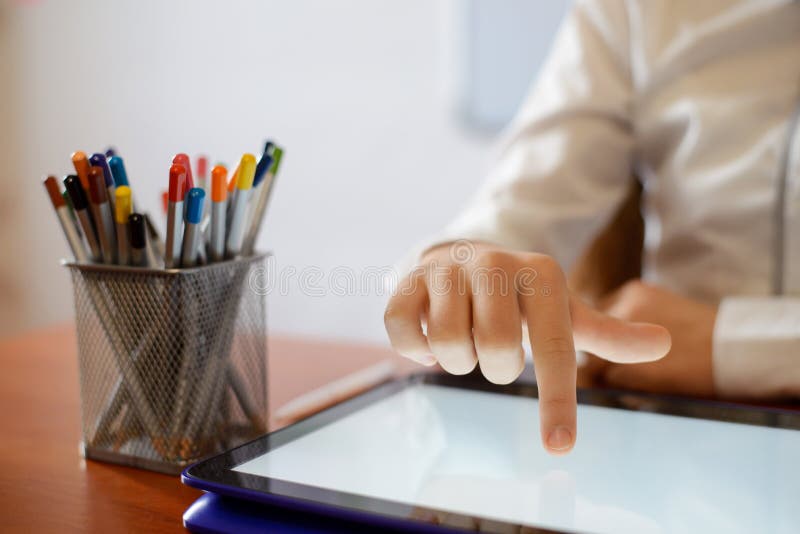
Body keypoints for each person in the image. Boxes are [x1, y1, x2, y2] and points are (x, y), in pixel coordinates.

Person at [384, 0, 800, 455]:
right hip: (674, 439)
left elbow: (724, 346)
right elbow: (520, 203)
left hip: (664, 381)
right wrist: (458, 266)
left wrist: (729, 345)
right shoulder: (635, 10)